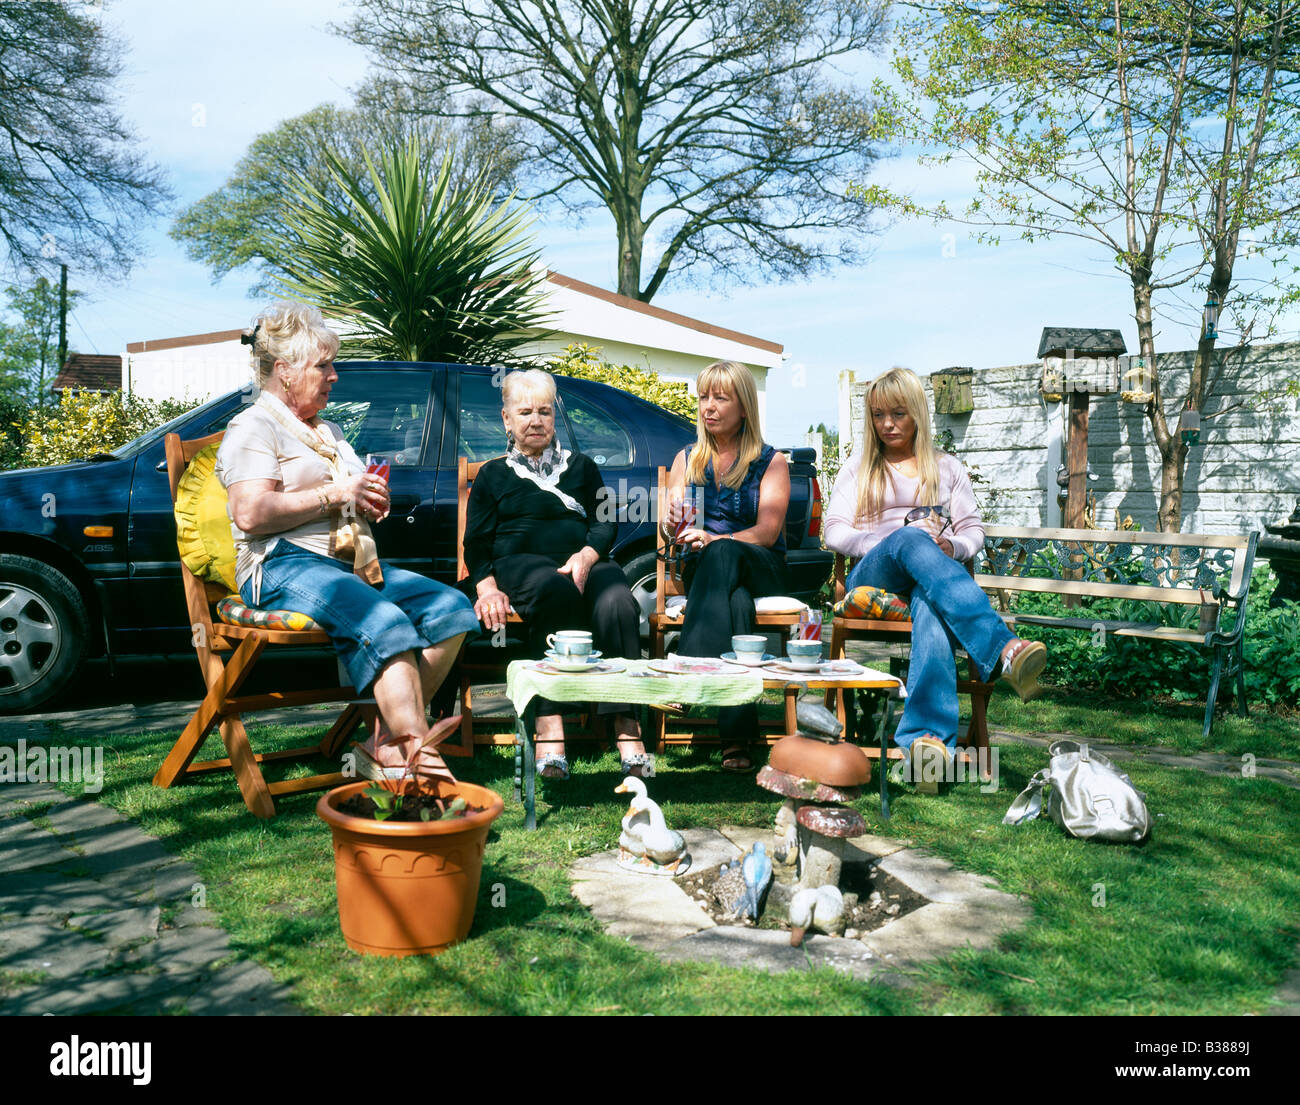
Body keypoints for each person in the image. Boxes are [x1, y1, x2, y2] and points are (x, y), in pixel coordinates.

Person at [215, 302, 479, 783]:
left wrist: (365, 502)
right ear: (285, 372)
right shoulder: (253, 427)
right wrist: (337, 492)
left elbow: (350, 496)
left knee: (451, 608)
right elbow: (251, 514)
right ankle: (414, 757)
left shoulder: (329, 433)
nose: (334, 376)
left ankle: (383, 744)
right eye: (323, 366)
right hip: (280, 564)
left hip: (346, 563)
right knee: (384, 620)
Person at [823, 366, 1046, 789]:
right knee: (909, 540)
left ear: (918, 415)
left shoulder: (946, 469)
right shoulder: (858, 468)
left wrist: (952, 549)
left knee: (931, 604)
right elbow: (834, 529)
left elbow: (973, 532)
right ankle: (1003, 649)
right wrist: (890, 543)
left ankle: (924, 747)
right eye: (877, 415)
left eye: (898, 414)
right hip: (875, 577)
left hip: (931, 580)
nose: (887, 424)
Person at [463, 369, 649, 780]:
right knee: (555, 588)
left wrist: (586, 554)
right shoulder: (494, 475)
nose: (536, 421)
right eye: (525, 411)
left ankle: (625, 724)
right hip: (520, 564)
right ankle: (550, 727)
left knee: (617, 598)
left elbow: (604, 523)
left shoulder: (581, 466)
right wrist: (486, 586)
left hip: (581, 559)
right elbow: (475, 543)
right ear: (507, 420)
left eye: (544, 412)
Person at [663, 360, 791, 773]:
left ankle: (687, 669)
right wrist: (670, 523)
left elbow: (768, 532)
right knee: (737, 604)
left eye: (721, 397)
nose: (708, 407)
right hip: (707, 573)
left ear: (744, 406)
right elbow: (674, 525)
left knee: (722, 553)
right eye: (703, 397)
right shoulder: (688, 458)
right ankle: (736, 742)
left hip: (760, 563)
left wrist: (716, 539)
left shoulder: (771, 461)